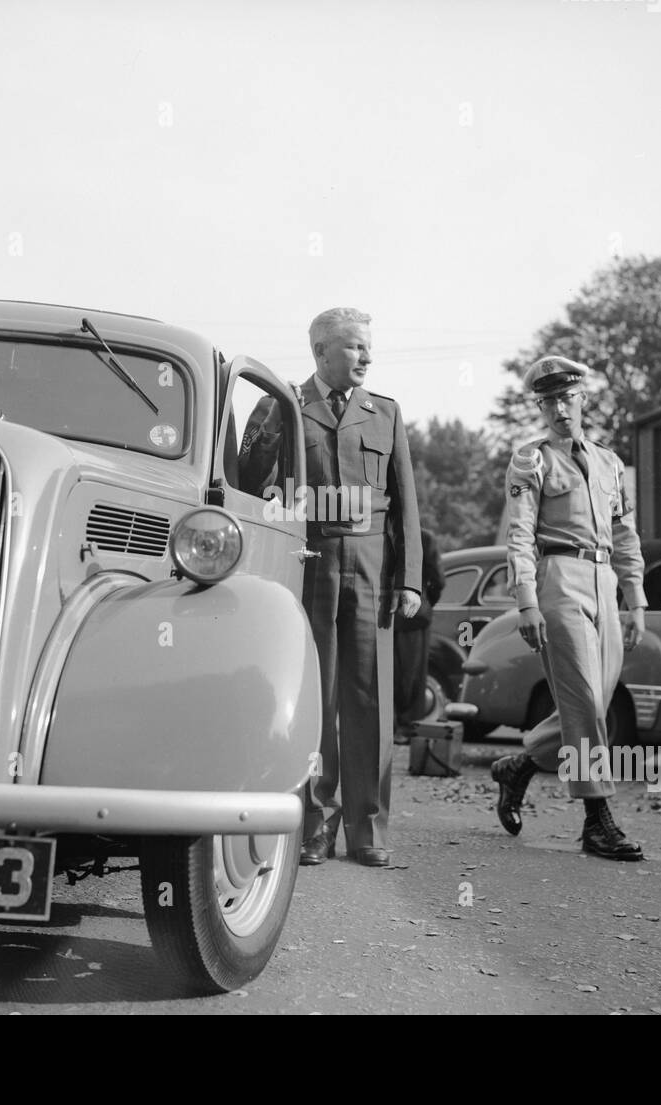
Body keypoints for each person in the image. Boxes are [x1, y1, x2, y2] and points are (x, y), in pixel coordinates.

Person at [238, 307, 422, 867]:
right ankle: (315, 822)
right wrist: (267, 437)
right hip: (309, 559)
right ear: (320, 352)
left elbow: (406, 503)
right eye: (354, 348)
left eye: (369, 347)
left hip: (369, 563)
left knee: (369, 699)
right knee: (315, 698)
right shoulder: (282, 407)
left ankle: (368, 829)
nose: (367, 357)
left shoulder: (385, 414)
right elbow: (249, 486)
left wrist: (409, 579)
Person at [489, 355, 647, 861]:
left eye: (568, 397)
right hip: (560, 582)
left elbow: (624, 534)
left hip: (604, 584)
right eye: (549, 400)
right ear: (540, 405)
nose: (560, 408)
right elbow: (518, 537)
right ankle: (597, 822)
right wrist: (527, 602)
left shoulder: (609, 461)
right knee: (581, 702)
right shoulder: (530, 460)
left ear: (583, 399)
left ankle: (519, 767)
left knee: (591, 707)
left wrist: (636, 598)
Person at [394, 527, 445, 731]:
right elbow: (438, 581)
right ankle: (409, 726)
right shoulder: (425, 537)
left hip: (381, 610)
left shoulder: (382, 530)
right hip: (414, 613)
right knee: (413, 675)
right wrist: (426, 601)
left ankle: (393, 724)